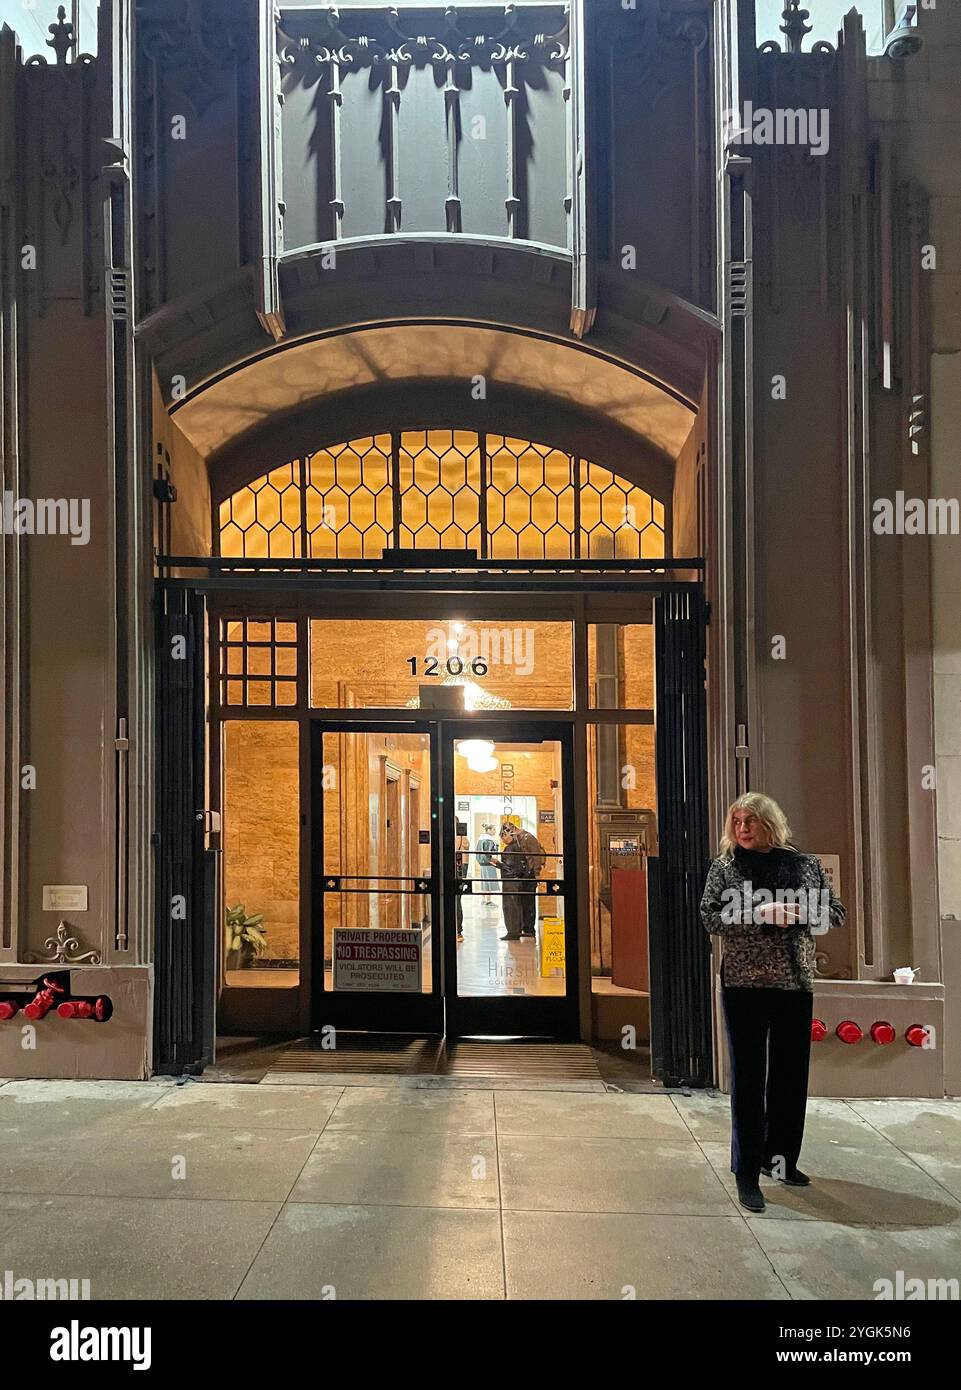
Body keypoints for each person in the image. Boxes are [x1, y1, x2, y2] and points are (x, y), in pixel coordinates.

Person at [699, 793, 845, 1213]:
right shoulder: (724, 867)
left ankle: (779, 1162)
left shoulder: (803, 864)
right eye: (737, 821)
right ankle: (746, 1174)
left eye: (751, 821)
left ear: (771, 824)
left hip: (793, 986)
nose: (743, 828)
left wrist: (798, 913)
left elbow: (835, 913)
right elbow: (710, 916)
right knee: (748, 1079)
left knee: (789, 1077)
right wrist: (759, 912)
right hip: (744, 986)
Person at [495, 821, 547, 941]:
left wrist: (537, 873)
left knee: (528, 901)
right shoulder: (518, 839)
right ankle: (525, 928)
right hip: (524, 874)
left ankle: (529, 929)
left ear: (509, 831)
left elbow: (536, 856)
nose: (504, 841)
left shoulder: (528, 837)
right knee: (523, 901)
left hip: (530, 875)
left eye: (504, 837)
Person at [475, 823, 499, 905]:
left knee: (484, 881)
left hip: (482, 863)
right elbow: (490, 852)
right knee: (489, 881)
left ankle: (483, 899)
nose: (495, 831)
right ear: (488, 830)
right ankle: (488, 901)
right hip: (488, 863)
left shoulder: (481, 839)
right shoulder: (489, 840)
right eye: (494, 829)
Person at [454, 821, 470, 942]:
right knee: (457, 899)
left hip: (458, 867)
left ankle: (458, 931)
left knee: (456, 899)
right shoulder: (463, 837)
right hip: (461, 866)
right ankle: (458, 930)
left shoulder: (458, 837)